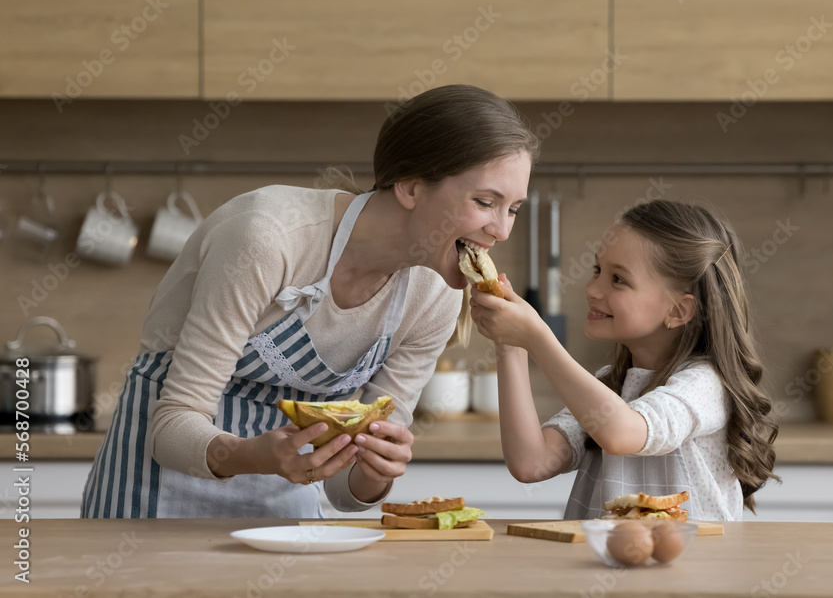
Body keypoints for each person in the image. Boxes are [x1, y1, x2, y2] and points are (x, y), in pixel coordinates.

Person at [81, 84, 537, 518]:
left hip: (284, 521)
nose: (503, 231)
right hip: (153, 502)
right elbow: (170, 427)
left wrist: (377, 471)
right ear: (411, 187)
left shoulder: (434, 297)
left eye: (513, 208)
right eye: (485, 201)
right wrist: (253, 456)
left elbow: (344, 494)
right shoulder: (268, 239)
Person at [469, 199, 778, 521]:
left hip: (690, 570)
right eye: (598, 270)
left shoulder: (705, 385)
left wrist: (538, 338)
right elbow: (531, 463)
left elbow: (621, 434)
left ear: (678, 311)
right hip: (604, 567)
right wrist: (510, 345)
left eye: (618, 279)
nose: (592, 289)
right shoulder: (612, 386)